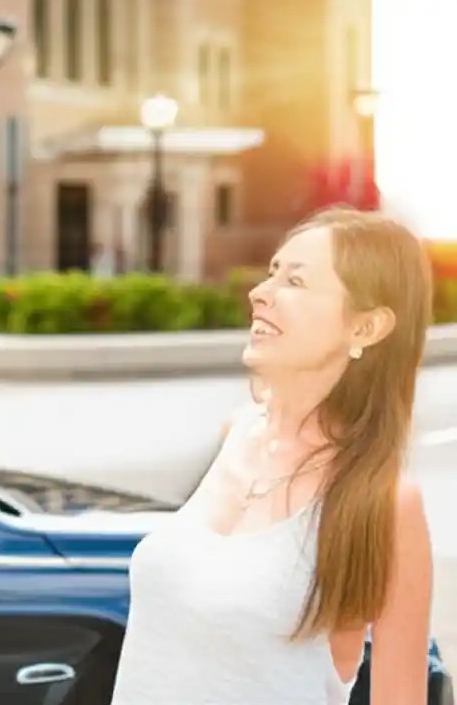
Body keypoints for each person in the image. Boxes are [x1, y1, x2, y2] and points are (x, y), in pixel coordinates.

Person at [110, 206, 435, 704]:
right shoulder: (237, 434)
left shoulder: (385, 503)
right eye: (272, 273)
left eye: (296, 283)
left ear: (366, 328)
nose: (260, 294)